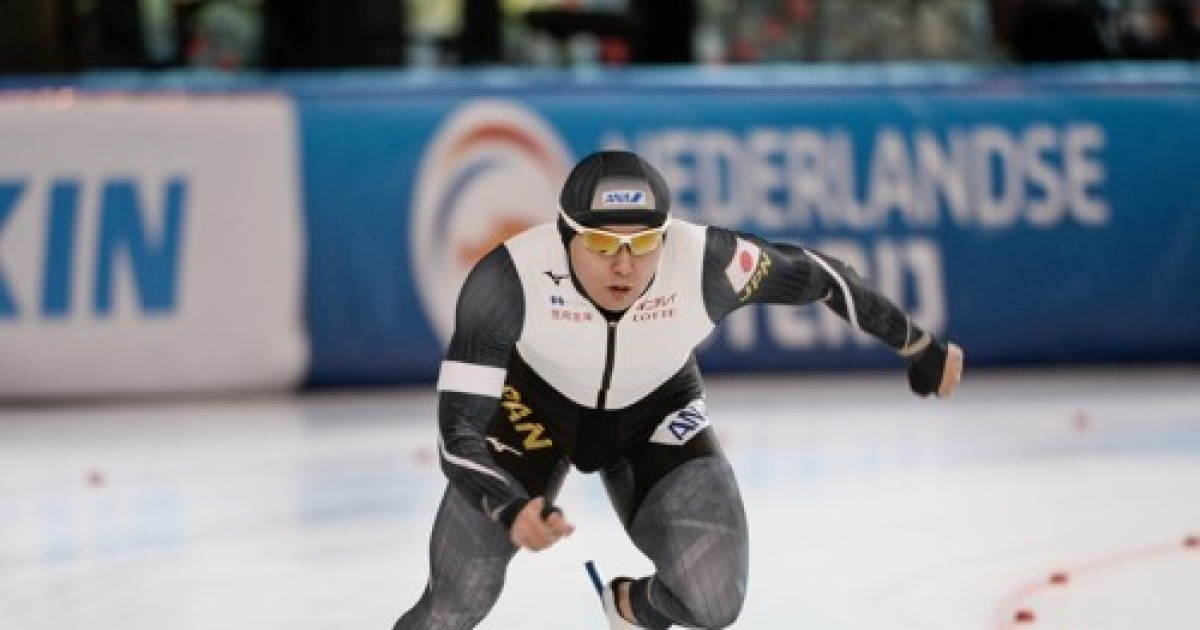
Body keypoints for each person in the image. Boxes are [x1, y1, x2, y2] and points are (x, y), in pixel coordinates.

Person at [394, 150, 964, 629]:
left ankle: (633, 606)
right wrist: (509, 505)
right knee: (452, 605)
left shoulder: (706, 263)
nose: (624, 266)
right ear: (565, 237)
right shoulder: (507, 278)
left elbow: (822, 275)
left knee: (715, 600)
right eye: (601, 244)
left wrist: (918, 347)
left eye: (643, 246)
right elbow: (457, 431)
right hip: (530, 413)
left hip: (655, 411)